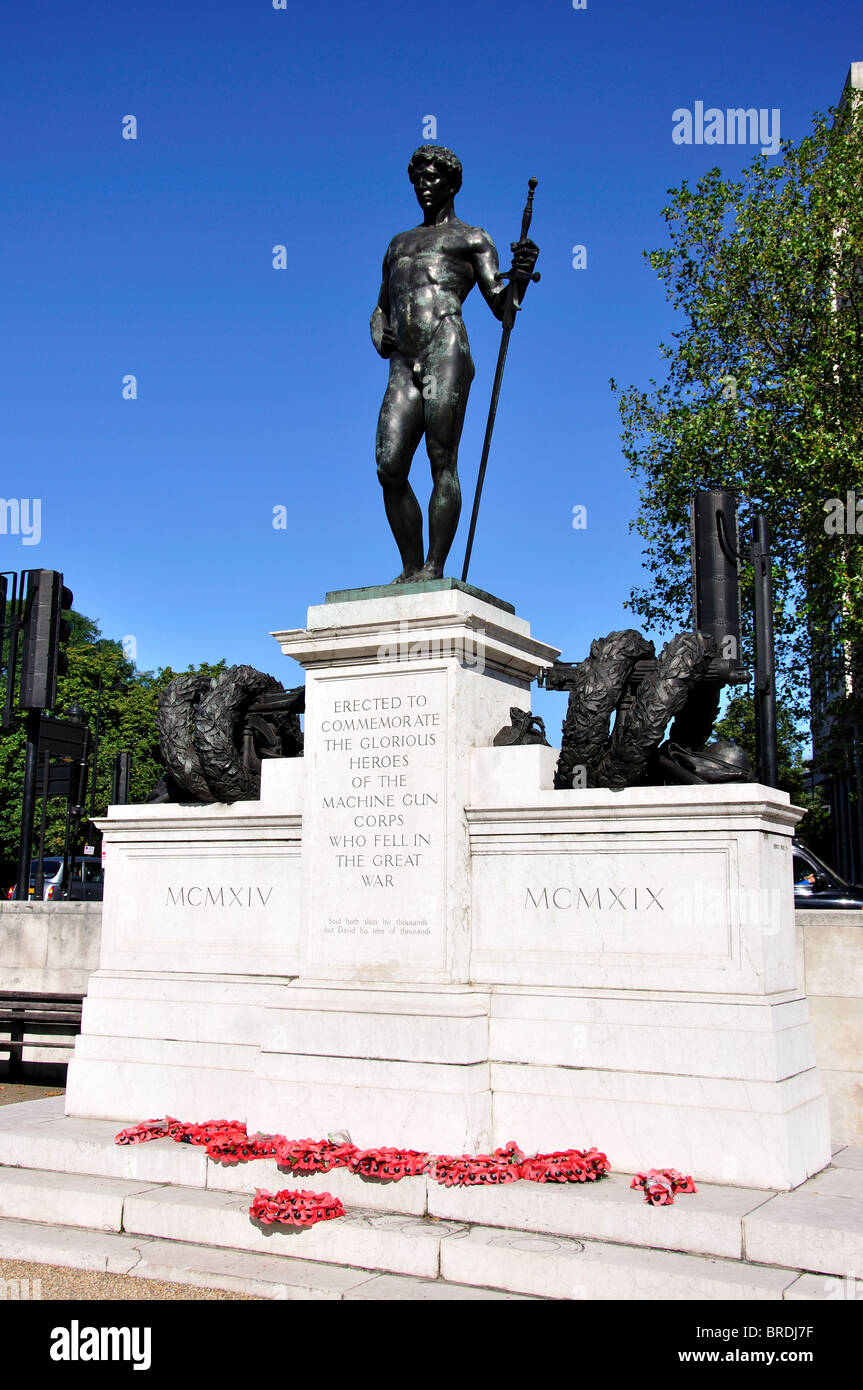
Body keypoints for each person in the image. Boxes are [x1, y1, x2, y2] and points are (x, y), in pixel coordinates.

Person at [371, 145, 538, 582]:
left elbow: (502, 306)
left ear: (451, 183)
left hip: (444, 349)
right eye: (416, 180)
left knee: (440, 456)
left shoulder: (472, 238)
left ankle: (434, 566)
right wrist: (377, 329)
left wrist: (520, 276)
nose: (423, 187)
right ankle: (410, 567)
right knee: (389, 467)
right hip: (402, 362)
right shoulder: (397, 244)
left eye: (431, 178)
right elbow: (380, 307)